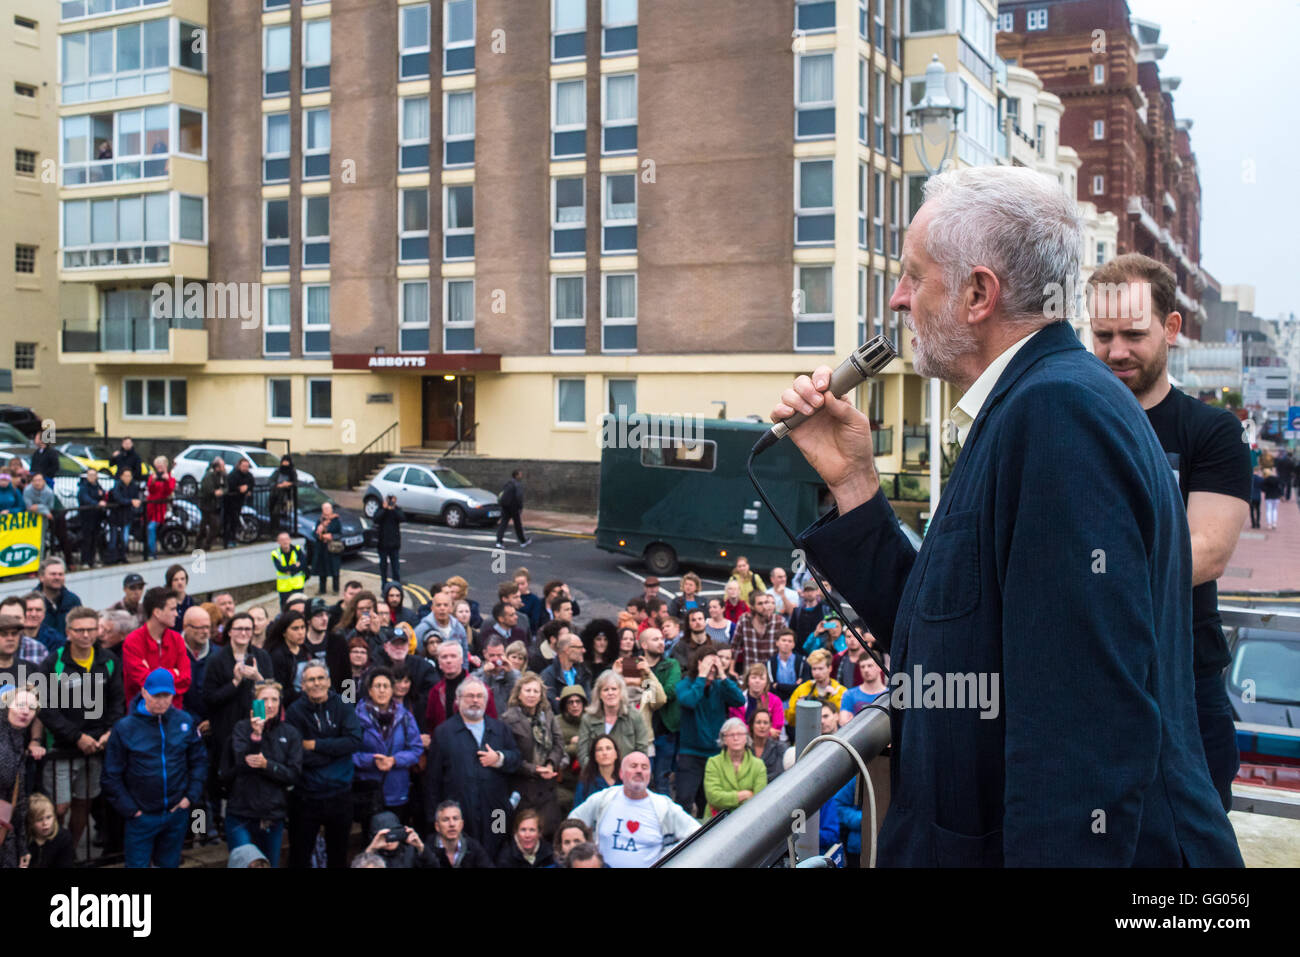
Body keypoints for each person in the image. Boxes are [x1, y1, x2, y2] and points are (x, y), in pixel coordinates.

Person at [779, 164, 1241, 866]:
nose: (899, 300)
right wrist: (855, 486)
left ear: (977, 293)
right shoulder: (1035, 402)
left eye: (913, 275)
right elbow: (947, 628)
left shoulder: (1058, 413)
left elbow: (1082, 739)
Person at [1089, 253, 1254, 813]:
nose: (1116, 352)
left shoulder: (1212, 432)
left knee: (1194, 851)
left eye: (1134, 334)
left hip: (1184, 680)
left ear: (1172, 328)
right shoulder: (1070, 423)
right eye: (1103, 334)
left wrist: (1083, 564)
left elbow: (1204, 554)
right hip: (1088, 677)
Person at [38, 606, 125, 846]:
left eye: (90, 629)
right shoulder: (53, 662)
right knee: (59, 806)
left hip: (97, 746)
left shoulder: (109, 660)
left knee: (84, 802)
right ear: (68, 632)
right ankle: (55, 851)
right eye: (79, 630)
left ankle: (71, 850)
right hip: (62, 748)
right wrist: (77, 737)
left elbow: (117, 701)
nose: (85, 635)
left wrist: (110, 732)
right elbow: (45, 708)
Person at [102, 668, 207, 868]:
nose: (161, 701)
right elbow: (111, 775)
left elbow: (198, 761)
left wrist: (189, 798)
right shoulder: (125, 728)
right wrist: (131, 810)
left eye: (166, 696)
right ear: (144, 693)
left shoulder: (184, 721)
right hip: (142, 816)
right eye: (156, 695)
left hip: (176, 812)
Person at [423, 677, 520, 859]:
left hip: (497, 811)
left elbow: (516, 760)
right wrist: (432, 817)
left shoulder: (500, 729)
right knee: (467, 855)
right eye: (470, 696)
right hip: (461, 811)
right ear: (458, 700)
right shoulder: (444, 732)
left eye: (479, 696)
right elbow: (433, 779)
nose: (475, 700)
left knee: (498, 849)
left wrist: (499, 758)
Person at [284, 661, 363, 868]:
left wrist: (316, 744)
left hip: (340, 794)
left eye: (320, 678)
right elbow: (296, 754)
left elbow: (354, 741)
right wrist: (335, 752)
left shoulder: (343, 705)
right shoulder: (294, 712)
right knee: (300, 856)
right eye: (311, 679)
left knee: (338, 856)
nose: (316, 683)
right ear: (303, 685)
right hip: (306, 797)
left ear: (328, 681)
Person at [568, 751, 701, 867]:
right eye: (633, 766)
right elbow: (572, 824)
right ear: (621, 773)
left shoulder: (664, 806)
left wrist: (669, 856)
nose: (639, 770)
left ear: (650, 774)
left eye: (644, 767)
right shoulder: (604, 799)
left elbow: (697, 834)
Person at [221, 680, 301, 866]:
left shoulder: (290, 733)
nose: (270, 705)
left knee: (268, 864)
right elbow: (244, 762)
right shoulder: (241, 729)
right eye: (264, 700)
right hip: (241, 812)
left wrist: (267, 765)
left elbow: (293, 774)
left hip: (272, 815)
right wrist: (256, 736)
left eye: (274, 699)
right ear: (254, 702)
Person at [675, 644, 744, 816]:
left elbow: (740, 700)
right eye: (709, 664)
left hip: (714, 754)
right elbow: (689, 701)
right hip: (690, 753)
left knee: (708, 802)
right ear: (699, 663)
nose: (712, 669)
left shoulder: (720, 686)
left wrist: (722, 675)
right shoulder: (685, 684)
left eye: (716, 664)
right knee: (684, 799)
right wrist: (701, 676)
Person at [352, 667, 424, 822]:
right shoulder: (356, 718)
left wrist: (394, 760)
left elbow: (416, 749)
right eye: (377, 686)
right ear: (369, 691)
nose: (382, 691)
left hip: (397, 787)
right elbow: (349, 752)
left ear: (392, 690)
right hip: (368, 788)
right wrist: (371, 760)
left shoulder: (405, 717)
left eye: (386, 686)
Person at [500, 672, 563, 833]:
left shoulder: (548, 716)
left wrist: (550, 763)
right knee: (521, 831)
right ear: (519, 694)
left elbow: (558, 742)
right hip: (521, 787)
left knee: (548, 831)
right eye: (528, 691)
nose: (532, 695)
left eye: (536, 691)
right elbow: (509, 756)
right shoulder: (508, 719)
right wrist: (534, 769)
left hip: (547, 787)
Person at [122, 587, 191, 708]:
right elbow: (143, 683)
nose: (176, 613)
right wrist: (174, 672)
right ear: (157, 612)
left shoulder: (177, 639)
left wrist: (153, 674)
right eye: (172, 609)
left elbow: (185, 679)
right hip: (141, 716)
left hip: (172, 714)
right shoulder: (133, 642)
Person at [576, 670, 651, 769]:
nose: (610, 693)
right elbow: (582, 753)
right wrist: (596, 773)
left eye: (614, 689)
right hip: (595, 776)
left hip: (626, 774)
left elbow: (641, 751)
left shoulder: (635, 716)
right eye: (605, 690)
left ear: (621, 692)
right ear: (599, 695)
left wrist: (628, 772)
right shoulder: (588, 719)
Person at [639, 626, 681, 795]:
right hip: (642, 733)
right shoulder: (635, 664)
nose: (661, 643)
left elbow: (670, 691)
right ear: (644, 645)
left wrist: (648, 693)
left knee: (662, 780)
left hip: (665, 730)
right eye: (655, 639)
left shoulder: (671, 664)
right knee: (643, 781)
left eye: (662, 639)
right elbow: (631, 692)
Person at [0, 685, 38, 868]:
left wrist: (22, 848)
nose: (25, 712)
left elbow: (17, 802)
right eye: (20, 704)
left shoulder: (17, 740)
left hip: (5, 834)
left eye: (31, 708)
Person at [704, 717, 767, 817]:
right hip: (716, 821)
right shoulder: (713, 763)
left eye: (740, 734)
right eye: (731, 735)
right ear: (724, 739)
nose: (736, 738)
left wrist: (726, 800)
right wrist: (742, 796)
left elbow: (759, 800)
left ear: (746, 738)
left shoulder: (758, 765)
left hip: (748, 819)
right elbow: (713, 797)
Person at [784, 648, 846, 724]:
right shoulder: (802, 689)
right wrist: (798, 707)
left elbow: (844, 721)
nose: (817, 672)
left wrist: (835, 697)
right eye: (814, 669)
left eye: (820, 668)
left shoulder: (840, 691)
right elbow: (791, 721)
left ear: (830, 668)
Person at [427, 799, 494, 868]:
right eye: (446, 820)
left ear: (462, 824)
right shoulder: (427, 849)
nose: (452, 824)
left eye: (455, 818)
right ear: (437, 826)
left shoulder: (473, 848)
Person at [732, 591, 785, 672]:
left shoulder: (779, 621)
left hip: (772, 672)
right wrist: (731, 670)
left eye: (766, 602)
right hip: (751, 672)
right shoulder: (744, 620)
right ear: (752, 607)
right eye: (760, 604)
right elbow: (735, 647)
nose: (765, 607)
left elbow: (786, 648)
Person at [729, 663, 785, 737]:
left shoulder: (775, 701)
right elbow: (737, 726)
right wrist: (768, 731)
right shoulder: (737, 699)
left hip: (768, 743)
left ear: (766, 683)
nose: (757, 681)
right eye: (754, 677)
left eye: (761, 678)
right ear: (747, 680)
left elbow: (777, 729)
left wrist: (749, 730)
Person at [540, 634, 592, 711]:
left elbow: (588, 702)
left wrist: (563, 702)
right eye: (580, 647)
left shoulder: (583, 673)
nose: (584, 650)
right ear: (567, 650)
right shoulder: (548, 675)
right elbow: (551, 705)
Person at [471, 635, 518, 716]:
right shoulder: (475, 676)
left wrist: (510, 674)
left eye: (499, 655)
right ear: (485, 654)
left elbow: (516, 696)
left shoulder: (515, 674)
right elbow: (480, 698)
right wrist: (486, 675)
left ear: (505, 654)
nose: (496, 659)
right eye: (492, 655)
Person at [414, 591, 470, 658]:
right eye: (438, 605)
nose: (442, 608)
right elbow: (415, 653)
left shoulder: (459, 627)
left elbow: (464, 654)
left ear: (451, 608)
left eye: (446, 605)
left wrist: (464, 668)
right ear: (432, 608)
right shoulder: (421, 629)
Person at [26, 793, 75, 869]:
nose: (45, 823)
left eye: (48, 817)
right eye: (39, 819)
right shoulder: (25, 839)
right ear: (31, 822)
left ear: (54, 816)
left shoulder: (63, 838)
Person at [839, 653, 888, 725]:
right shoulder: (849, 694)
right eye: (862, 667)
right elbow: (843, 722)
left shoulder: (888, 695)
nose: (866, 670)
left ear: (879, 667)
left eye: (870, 666)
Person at [37, 559, 82, 639]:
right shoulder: (31, 602)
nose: (57, 577)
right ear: (41, 577)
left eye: (60, 574)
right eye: (53, 574)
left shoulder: (73, 601)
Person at [573, 734, 620, 806]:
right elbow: (577, 812)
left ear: (616, 754)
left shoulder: (625, 781)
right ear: (594, 756)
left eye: (608, 748)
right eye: (599, 749)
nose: (604, 753)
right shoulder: (585, 783)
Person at [766, 628, 810, 704]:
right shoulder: (770, 663)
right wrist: (793, 688)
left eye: (790, 641)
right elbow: (770, 688)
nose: (786, 643)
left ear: (793, 645)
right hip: (777, 704)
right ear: (777, 643)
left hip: (798, 704)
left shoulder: (802, 662)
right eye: (783, 640)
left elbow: (804, 686)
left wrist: (778, 685)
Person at [143, 456, 175, 561]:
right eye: (157, 467)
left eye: (160, 466)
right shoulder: (153, 477)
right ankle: (148, 551)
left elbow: (168, 491)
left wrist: (166, 480)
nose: (159, 469)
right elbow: (150, 490)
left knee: (151, 528)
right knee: (147, 529)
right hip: (150, 506)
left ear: (165, 466)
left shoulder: (171, 478)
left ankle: (152, 553)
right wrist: (153, 481)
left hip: (160, 508)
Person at [748, 708, 788, 783]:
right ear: (752, 725)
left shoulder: (780, 747)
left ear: (770, 726)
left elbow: (780, 773)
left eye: (765, 723)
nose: (762, 726)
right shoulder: (745, 748)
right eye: (758, 722)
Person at [271, 532, 307, 611]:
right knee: (285, 608)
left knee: (299, 605)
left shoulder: (297, 549)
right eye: (282, 540)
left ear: (290, 540)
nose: (285, 542)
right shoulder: (276, 554)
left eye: (287, 539)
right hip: (284, 586)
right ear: (278, 542)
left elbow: (303, 564)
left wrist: (291, 570)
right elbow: (280, 568)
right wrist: (294, 566)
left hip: (297, 584)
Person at [495, 468, 530, 547]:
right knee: (518, 524)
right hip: (514, 507)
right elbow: (519, 497)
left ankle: (499, 542)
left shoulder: (507, 483)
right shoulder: (517, 484)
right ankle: (523, 541)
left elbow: (502, 493)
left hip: (505, 506)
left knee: (503, 524)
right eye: (520, 474)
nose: (521, 475)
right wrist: (520, 507)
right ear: (516, 475)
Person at [196, 457, 227, 550]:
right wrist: (214, 492)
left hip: (215, 506)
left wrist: (222, 491)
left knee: (215, 526)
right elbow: (207, 489)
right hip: (206, 505)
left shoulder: (222, 475)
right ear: (217, 467)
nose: (224, 467)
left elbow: (226, 486)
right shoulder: (209, 475)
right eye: (222, 465)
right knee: (205, 526)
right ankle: (200, 545)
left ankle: (206, 545)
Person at [312, 503, 343, 594]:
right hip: (322, 549)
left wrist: (331, 536)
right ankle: (322, 589)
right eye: (325, 509)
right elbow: (314, 533)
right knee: (322, 570)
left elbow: (340, 534)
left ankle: (336, 589)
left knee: (335, 570)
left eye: (328, 508)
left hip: (333, 549)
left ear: (331, 509)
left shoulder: (336, 520)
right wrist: (320, 535)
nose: (326, 511)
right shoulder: (320, 520)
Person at [224, 458, 254, 548]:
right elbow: (229, 486)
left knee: (235, 521)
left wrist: (248, 489)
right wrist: (239, 489)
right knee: (229, 521)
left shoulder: (249, 475)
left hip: (239, 501)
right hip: (230, 501)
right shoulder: (233, 475)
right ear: (239, 466)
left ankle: (233, 539)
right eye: (244, 466)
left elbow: (252, 484)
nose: (245, 468)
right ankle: (227, 540)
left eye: (247, 466)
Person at [375, 494, 405, 584]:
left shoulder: (396, 509)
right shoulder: (380, 509)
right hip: (382, 544)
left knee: (395, 568)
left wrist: (394, 509)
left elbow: (402, 518)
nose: (390, 503)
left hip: (394, 544)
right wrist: (384, 509)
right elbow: (376, 519)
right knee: (383, 568)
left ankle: (396, 585)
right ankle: (384, 586)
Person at [269, 456, 297, 534]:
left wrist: (288, 484)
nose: (285, 463)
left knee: (281, 513)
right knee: (274, 513)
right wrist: (279, 485)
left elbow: (295, 482)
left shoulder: (292, 472)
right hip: (275, 495)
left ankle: (283, 530)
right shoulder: (277, 471)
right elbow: (271, 481)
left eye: (287, 461)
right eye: (284, 461)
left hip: (285, 496)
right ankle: (274, 530)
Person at [165, 564, 195, 632]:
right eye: (176, 580)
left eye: (182, 579)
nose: (180, 582)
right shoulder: (166, 602)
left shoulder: (190, 601)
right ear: (170, 582)